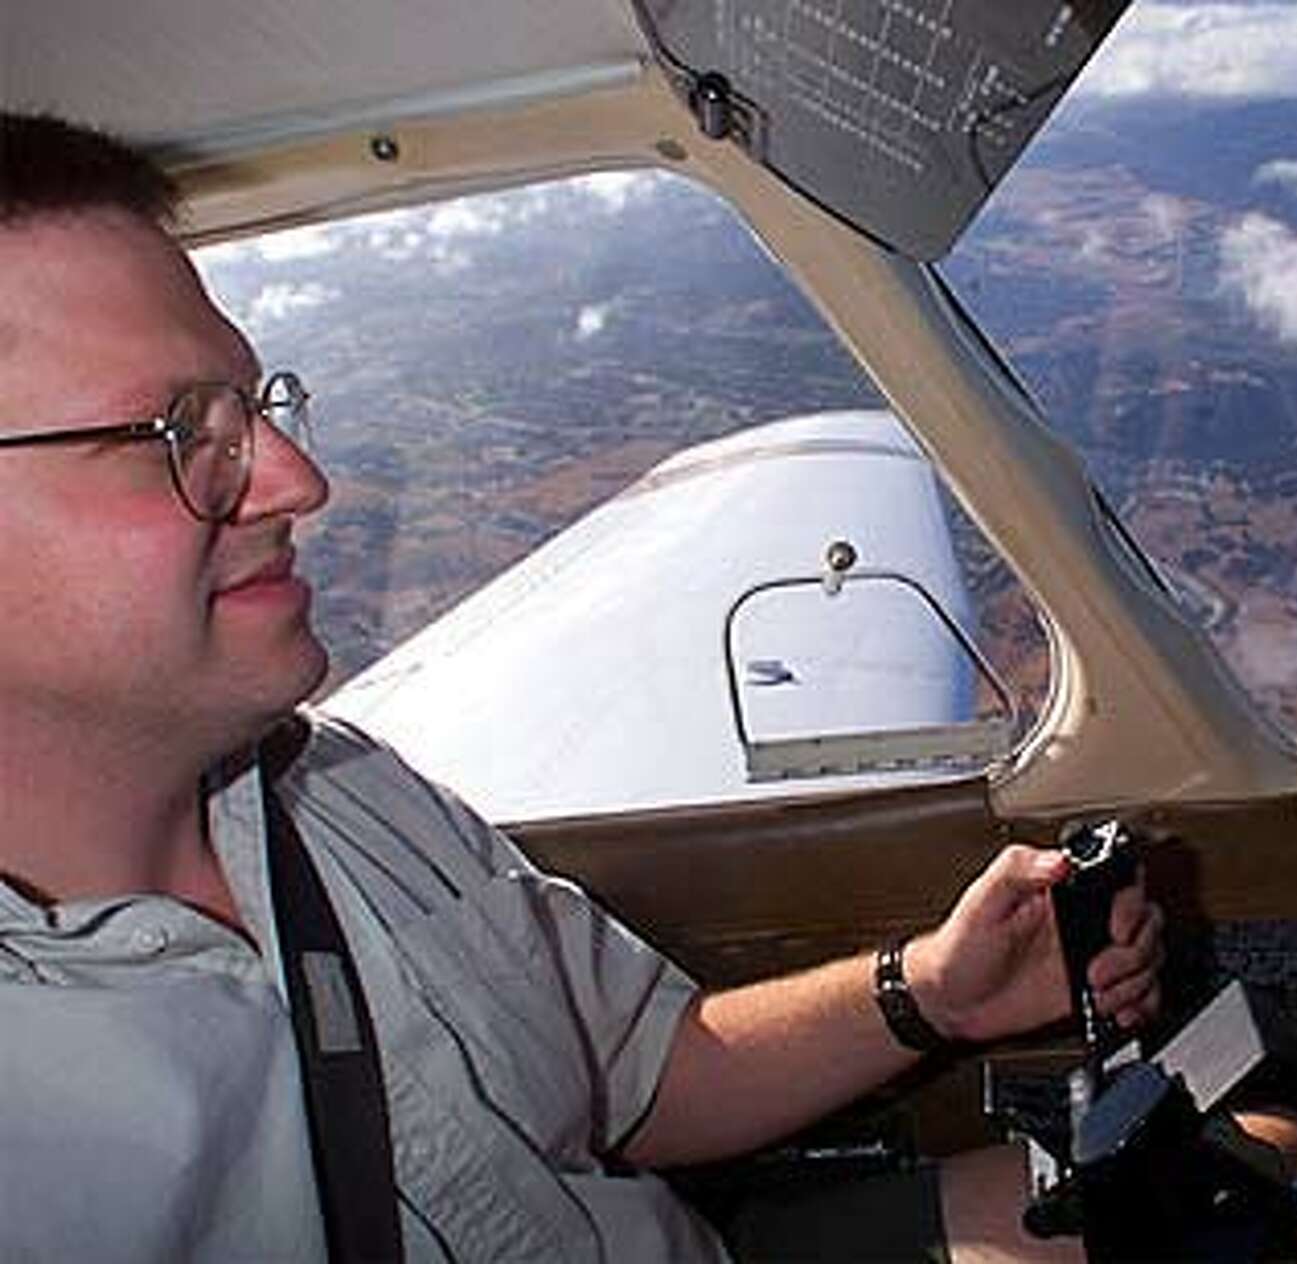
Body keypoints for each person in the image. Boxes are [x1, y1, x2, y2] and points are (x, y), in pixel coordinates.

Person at [0, 112, 1163, 1262]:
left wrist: (933, 993)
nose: (300, 479)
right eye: (178, 430)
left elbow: (650, 1078)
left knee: (1240, 1170)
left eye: (256, 407)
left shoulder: (342, 790)